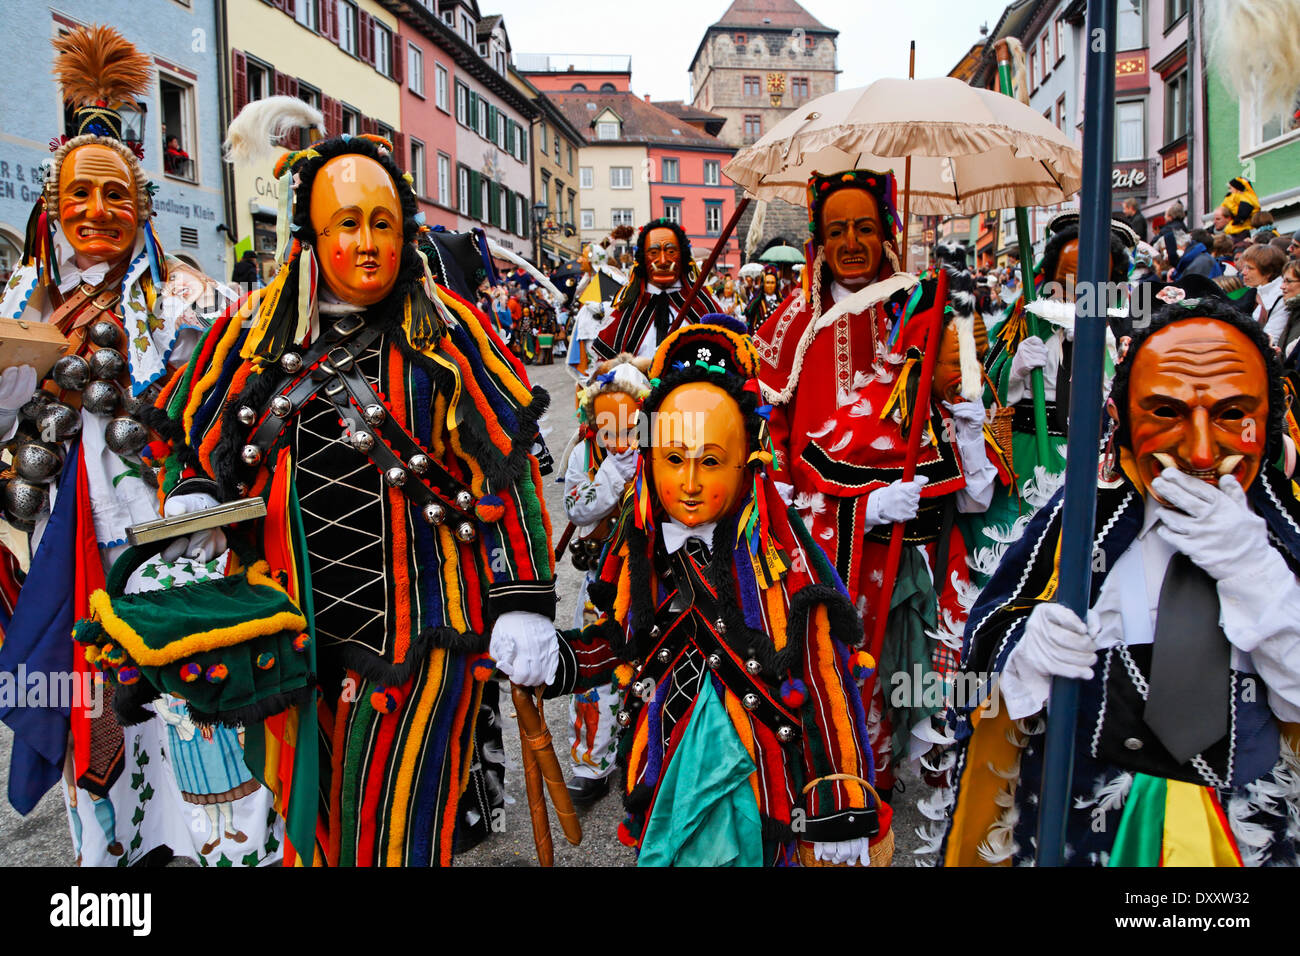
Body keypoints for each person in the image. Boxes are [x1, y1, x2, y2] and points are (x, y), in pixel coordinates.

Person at [143, 95, 558, 867]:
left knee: (398, 828)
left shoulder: (448, 332)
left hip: (430, 630)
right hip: (292, 631)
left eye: (382, 223)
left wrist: (524, 603)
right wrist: (197, 493)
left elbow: (513, 471)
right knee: (318, 829)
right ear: (312, 232)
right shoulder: (254, 333)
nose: (367, 244)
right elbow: (191, 434)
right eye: (347, 224)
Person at [943, 294, 1300, 867]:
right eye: (1165, 411)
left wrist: (1257, 577)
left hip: (1249, 840)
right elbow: (987, 657)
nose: (1201, 450)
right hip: (1082, 831)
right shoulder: (1077, 524)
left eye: (1233, 413)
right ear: (1123, 417)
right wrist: (1026, 656)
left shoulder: (1289, 530)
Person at [0, 24, 235, 867]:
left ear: (142, 205)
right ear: (52, 207)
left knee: (190, 697)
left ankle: (208, 845)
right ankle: (114, 864)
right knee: (90, 704)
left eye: (115, 196)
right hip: (71, 538)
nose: (96, 213)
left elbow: (223, 411)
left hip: (173, 535)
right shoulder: (25, 296)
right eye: (78, 197)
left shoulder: (186, 296)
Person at [550, 318, 889, 866]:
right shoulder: (639, 547)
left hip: (756, 771)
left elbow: (826, 674)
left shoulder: (784, 557)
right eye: (673, 460)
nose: (688, 484)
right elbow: (621, 643)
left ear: (746, 461)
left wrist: (839, 797)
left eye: (710, 461)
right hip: (664, 751)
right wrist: (556, 657)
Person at [753, 170, 998, 809]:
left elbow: (959, 398)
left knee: (909, 665)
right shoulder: (791, 325)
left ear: (888, 230)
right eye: (838, 231)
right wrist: (852, 506)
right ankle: (838, 784)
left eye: (866, 227)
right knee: (833, 663)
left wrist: (965, 420)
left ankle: (905, 786)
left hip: (915, 530)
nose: (854, 242)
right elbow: (773, 445)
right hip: (828, 536)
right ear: (819, 239)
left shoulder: (918, 307)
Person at [558, 354, 650, 805]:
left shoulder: (663, 446)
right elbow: (578, 509)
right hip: (602, 579)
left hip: (657, 579)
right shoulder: (583, 452)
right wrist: (615, 471)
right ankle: (591, 764)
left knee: (653, 667)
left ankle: (649, 760)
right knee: (595, 668)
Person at [590, 218, 720, 361]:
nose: (663, 261)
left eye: (671, 251)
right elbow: (607, 365)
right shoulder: (628, 306)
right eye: (653, 252)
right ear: (642, 259)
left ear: (683, 256)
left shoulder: (702, 305)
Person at [743, 267, 782, 333]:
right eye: (767, 282)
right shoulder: (756, 302)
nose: (770, 285)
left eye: (772, 283)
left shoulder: (782, 302)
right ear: (763, 284)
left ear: (776, 284)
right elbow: (748, 313)